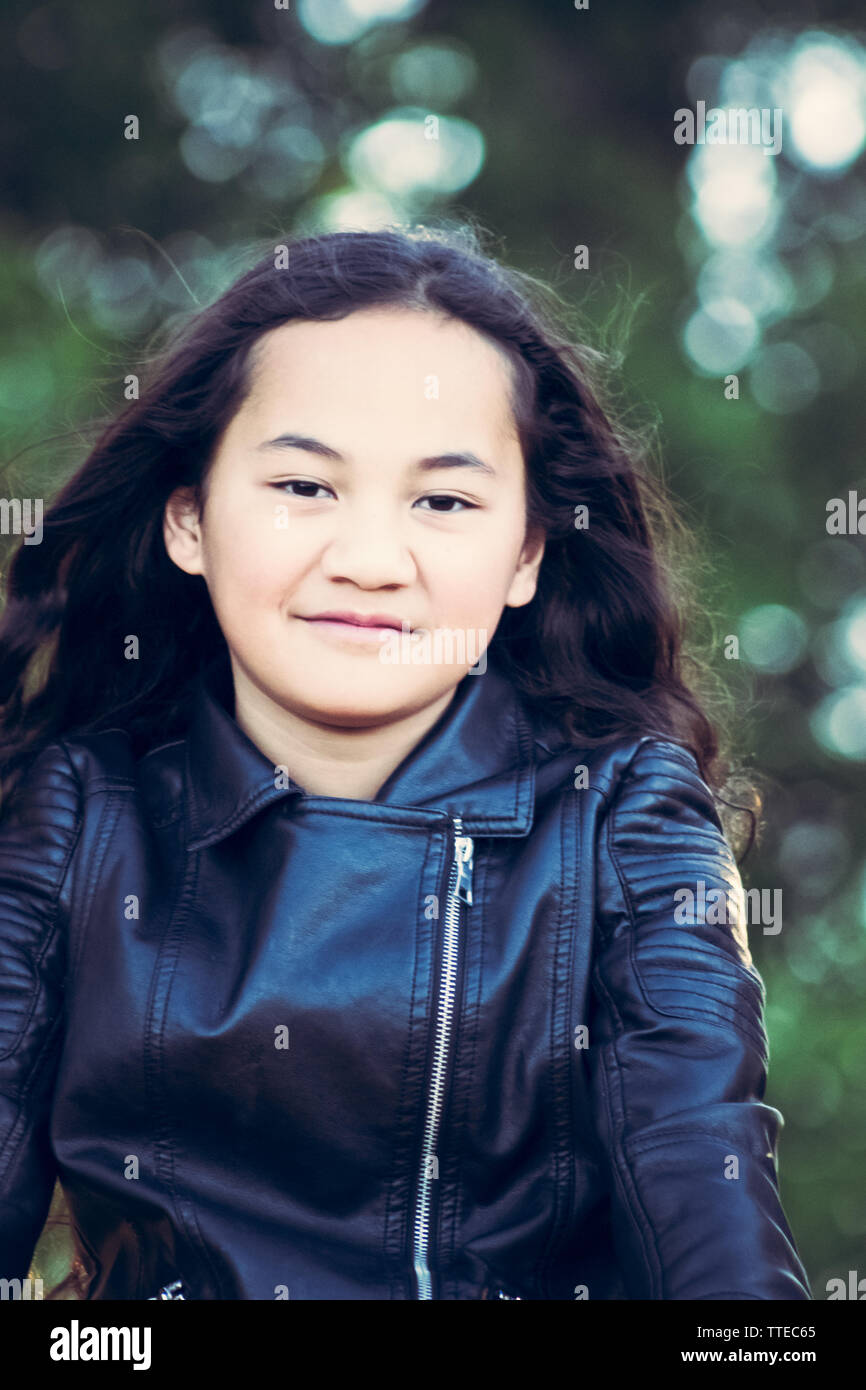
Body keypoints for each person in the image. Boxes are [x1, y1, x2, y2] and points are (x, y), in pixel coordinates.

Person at [0, 224, 811, 1300]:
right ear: (189, 518)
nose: (371, 562)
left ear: (526, 554)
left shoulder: (622, 815)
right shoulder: (75, 815)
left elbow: (708, 1205)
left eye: (443, 501)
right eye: (304, 486)